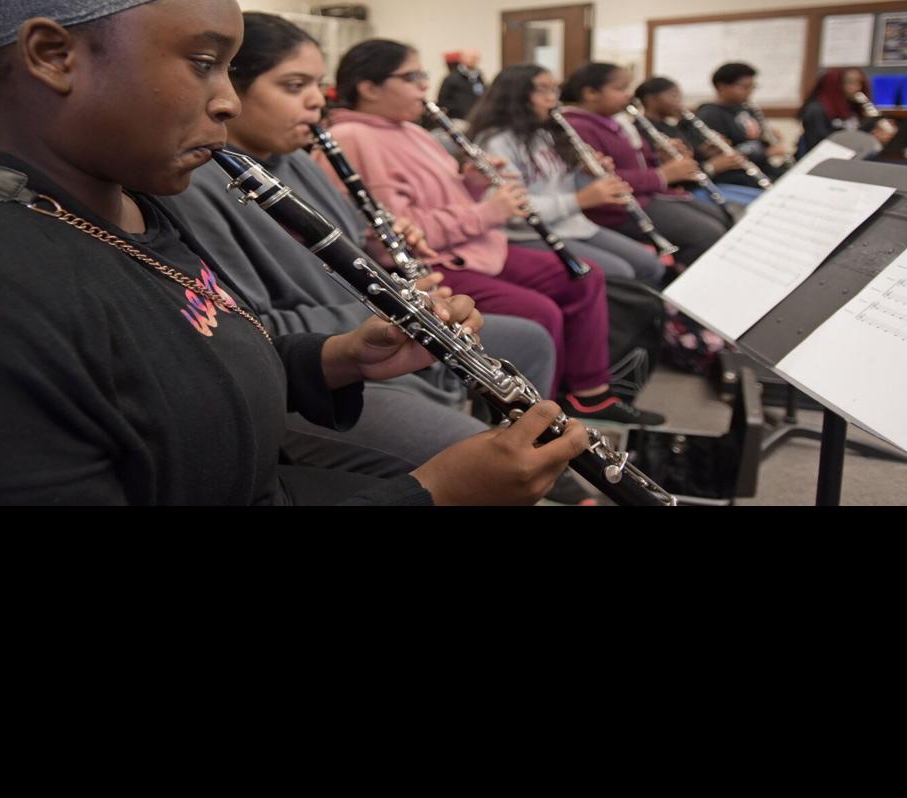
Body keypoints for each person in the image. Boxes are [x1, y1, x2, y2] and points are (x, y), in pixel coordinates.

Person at [0, 0, 588, 505]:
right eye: (204, 63)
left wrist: (333, 358)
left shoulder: (119, 198)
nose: (228, 99)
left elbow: (160, 354)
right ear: (54, 55)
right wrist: (431, 496)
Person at [161, 12, 590, 502]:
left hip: (363, 330)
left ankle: (532, 449)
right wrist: (386, 309)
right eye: (294, 84)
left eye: (318, 84)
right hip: (308, 370)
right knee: (465, 449)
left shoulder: (297, 158)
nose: (314, 101)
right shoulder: (192, 184)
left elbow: (343, 246)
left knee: (529, 337)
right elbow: (249, 326)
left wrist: (382, 244)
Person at [320, 38, 664, 425]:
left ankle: (589, 394)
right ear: (368, 87)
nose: (424, 86)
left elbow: (445, 199)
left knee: (584, 278)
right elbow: (394, 234)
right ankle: (531, 427)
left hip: (479, 245)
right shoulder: (353, 138)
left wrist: (474, 182)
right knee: (540, 313)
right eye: (412, 77)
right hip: (434, 263)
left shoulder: (413, 131)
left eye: (423, 75)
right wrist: (489, 212)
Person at [467, 64, 662, 286]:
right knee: (621, 273)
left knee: (649, 264)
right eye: (543, 90)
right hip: (527, 234)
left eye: (554, 89)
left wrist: (588, 175)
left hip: (572, 224)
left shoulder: (545, 134)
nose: (552, 98)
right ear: (516, 95)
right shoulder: (496, 142)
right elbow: (513, 208)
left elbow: (559, 185)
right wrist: (580, 199)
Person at [557, 62, 728, 266]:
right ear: (591, 93)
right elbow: (601, 178)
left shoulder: (615, 121)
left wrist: (660, 157)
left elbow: (639, 163)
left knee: (721, 217)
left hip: (647, 196)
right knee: (706, 233)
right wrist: (663, 175)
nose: (628, 95)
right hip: (616, 210)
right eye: (620, 89)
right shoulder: (576, 126)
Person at [632, 76, 760, 207]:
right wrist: (712, 167)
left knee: (760, 198)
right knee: (750, 206)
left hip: (704, 185)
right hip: (687, 191)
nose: (679, 103)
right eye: (673, 96)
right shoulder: (641, 131)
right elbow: (670, 173)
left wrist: (706, 153)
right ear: (653, 99)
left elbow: (690, 159)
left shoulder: (672, 127)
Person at [694, 62, 789, 190]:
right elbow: (726, 156)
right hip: (736, 177)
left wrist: (767, 139)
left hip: (760, 169)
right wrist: (766, 153)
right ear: (722, 87)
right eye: (745, 87)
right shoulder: (710, 114)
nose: (750, 92)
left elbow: (751, 140)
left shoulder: (747, 109)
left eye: (752, 87)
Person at [796, 68, 895, 157]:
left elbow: (858, 133)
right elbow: (820, 143)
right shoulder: (816, 109)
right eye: (850, 82)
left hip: (852, 158)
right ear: (835, 84)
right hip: (826, 161)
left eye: (859, 83)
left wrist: (876, 134)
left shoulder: (854, 106)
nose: (857, 88)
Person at [434, 48, 485, 121]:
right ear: (462, 59)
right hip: (457, 119)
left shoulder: (479, 78)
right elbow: (442, 100)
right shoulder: (452, 78)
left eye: (475, 58)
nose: (472, 60)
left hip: (476, 118)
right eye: (470, 57)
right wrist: (455, 111)